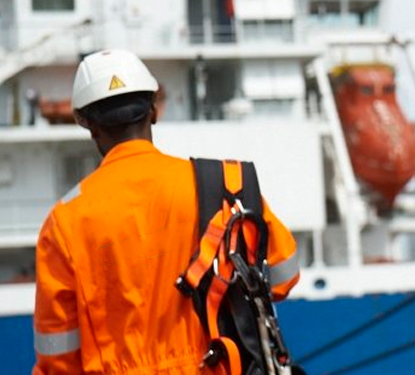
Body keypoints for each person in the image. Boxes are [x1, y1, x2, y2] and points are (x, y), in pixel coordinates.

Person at [32, 49, 300, 375]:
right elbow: (283, 280)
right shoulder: (226, 185)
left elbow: (59, 358)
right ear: (154, 109)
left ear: (86, 123)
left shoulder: (65, 221)